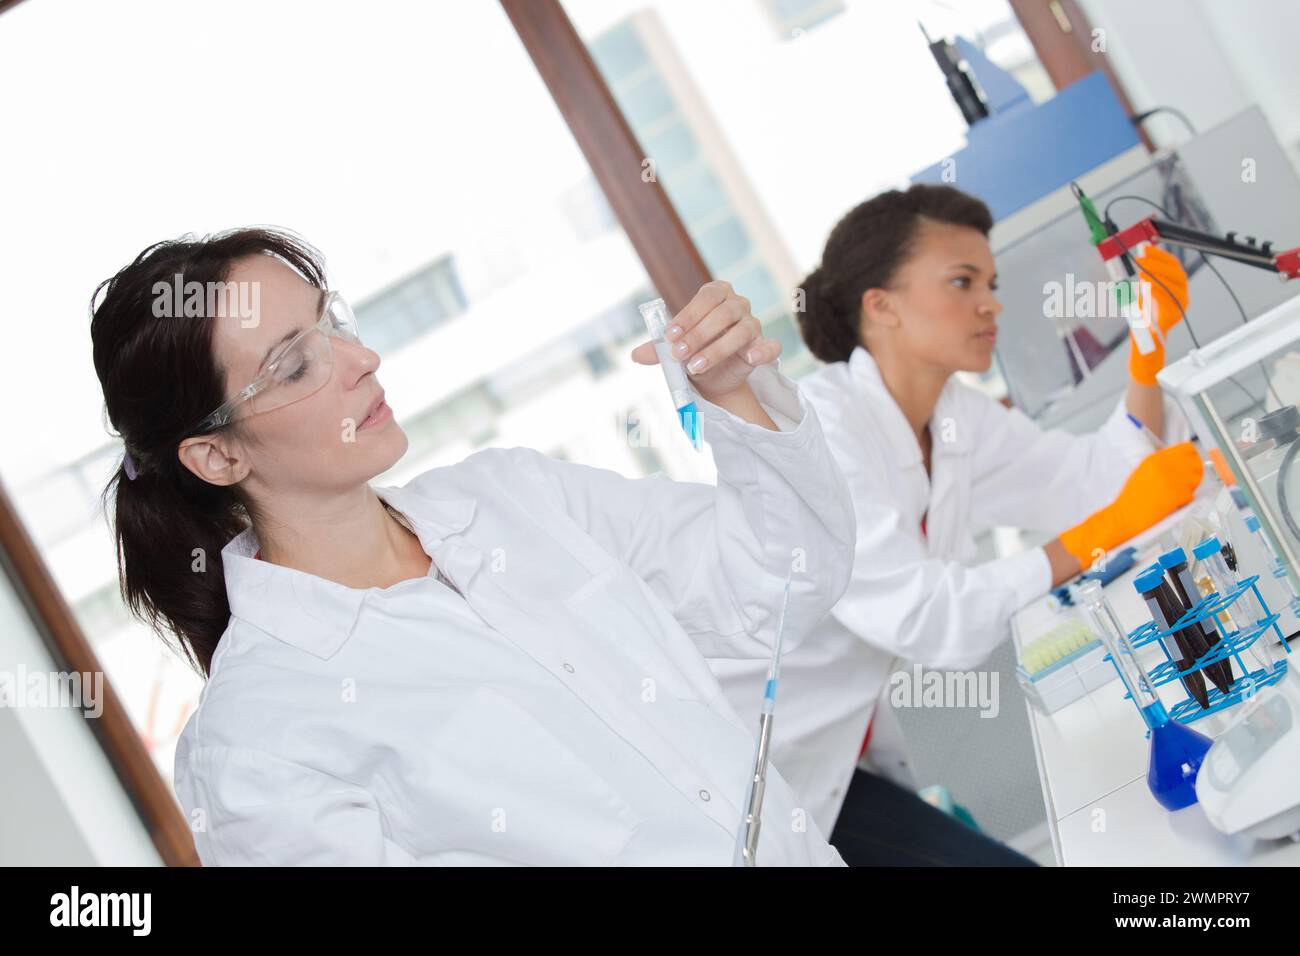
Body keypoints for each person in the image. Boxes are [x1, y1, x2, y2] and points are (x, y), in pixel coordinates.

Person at [90, 227, 858, 866]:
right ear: (218, 456)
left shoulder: (512, 497)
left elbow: (784, 582)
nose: (360, 360)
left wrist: (730, 392)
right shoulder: (259, 740)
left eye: (333, 323)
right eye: (296, 363)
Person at [709, 184, 1203, 866]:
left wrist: (1148, 351)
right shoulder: (819, 429)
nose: (991, 302)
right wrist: (1099, 533)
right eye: (962, 281)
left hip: (839, 761)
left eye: (992, 282)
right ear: (880, 307)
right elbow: (928, 614)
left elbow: (1096, 487)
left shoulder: (957, 420)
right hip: (744, 776)